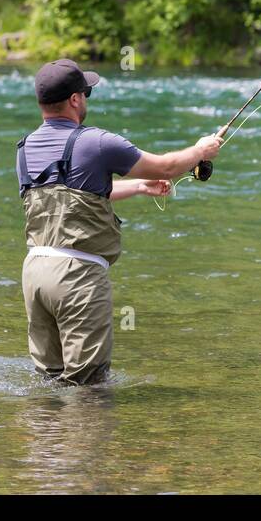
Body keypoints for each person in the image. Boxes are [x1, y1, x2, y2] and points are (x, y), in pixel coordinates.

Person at [16, 58, 224, 385]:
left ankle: (47, 435)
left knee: (49, 382)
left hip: (34, 272)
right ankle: (89, 436)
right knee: (89, 386)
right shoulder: (98, 142)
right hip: (77, 275)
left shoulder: (25, 148)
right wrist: (200, 150)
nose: (86, 99)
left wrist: (139, 187)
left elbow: (72, 193)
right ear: (74, 99)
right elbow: (166, 166)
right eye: (85, 93)